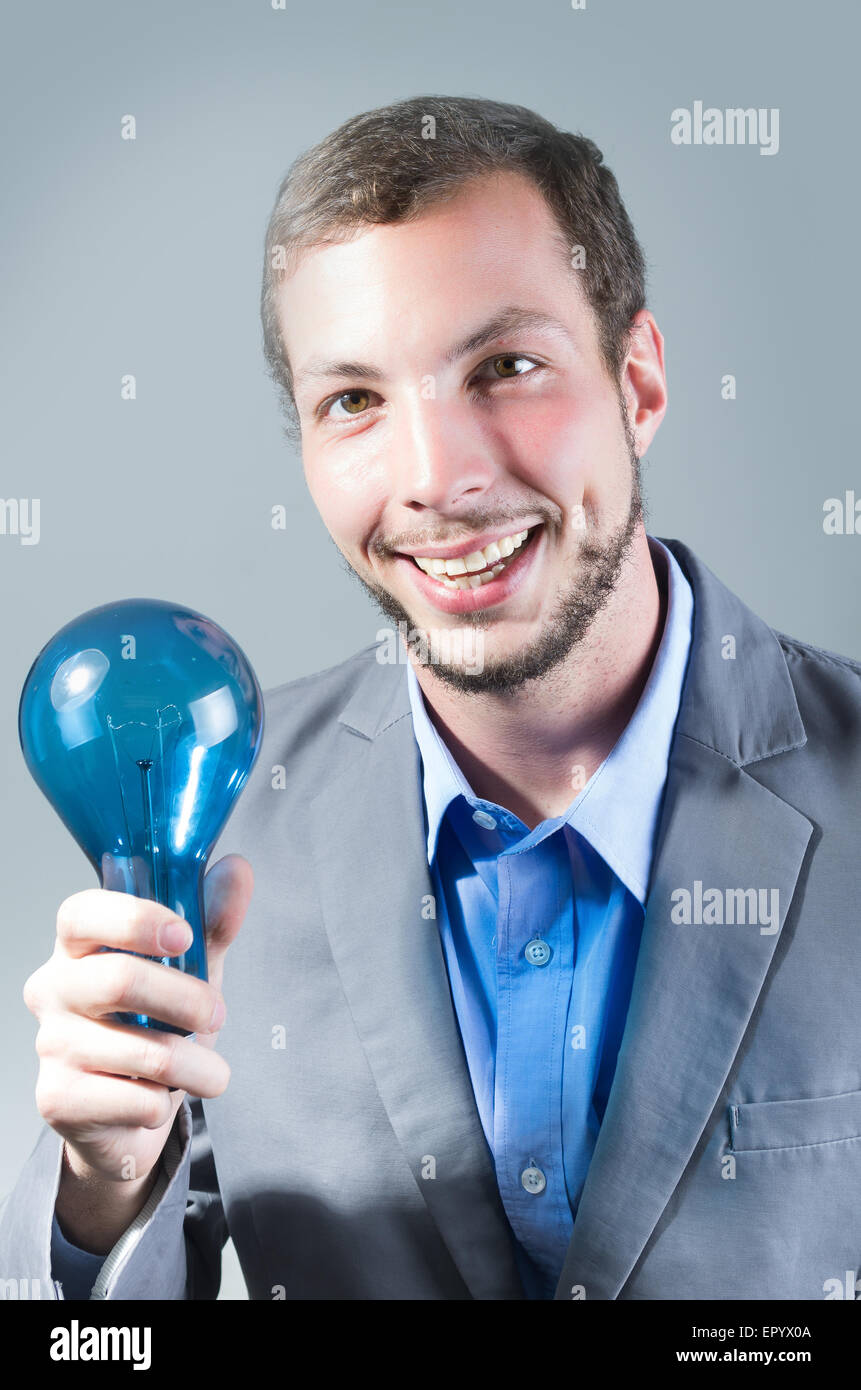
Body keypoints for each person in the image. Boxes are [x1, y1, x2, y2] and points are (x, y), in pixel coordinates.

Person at [2, 95, 859, 1302]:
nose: (435, 479)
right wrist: (106, 1190)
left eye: (505, 367)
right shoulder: (220, 812)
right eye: (354, 401)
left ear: (640, 382)